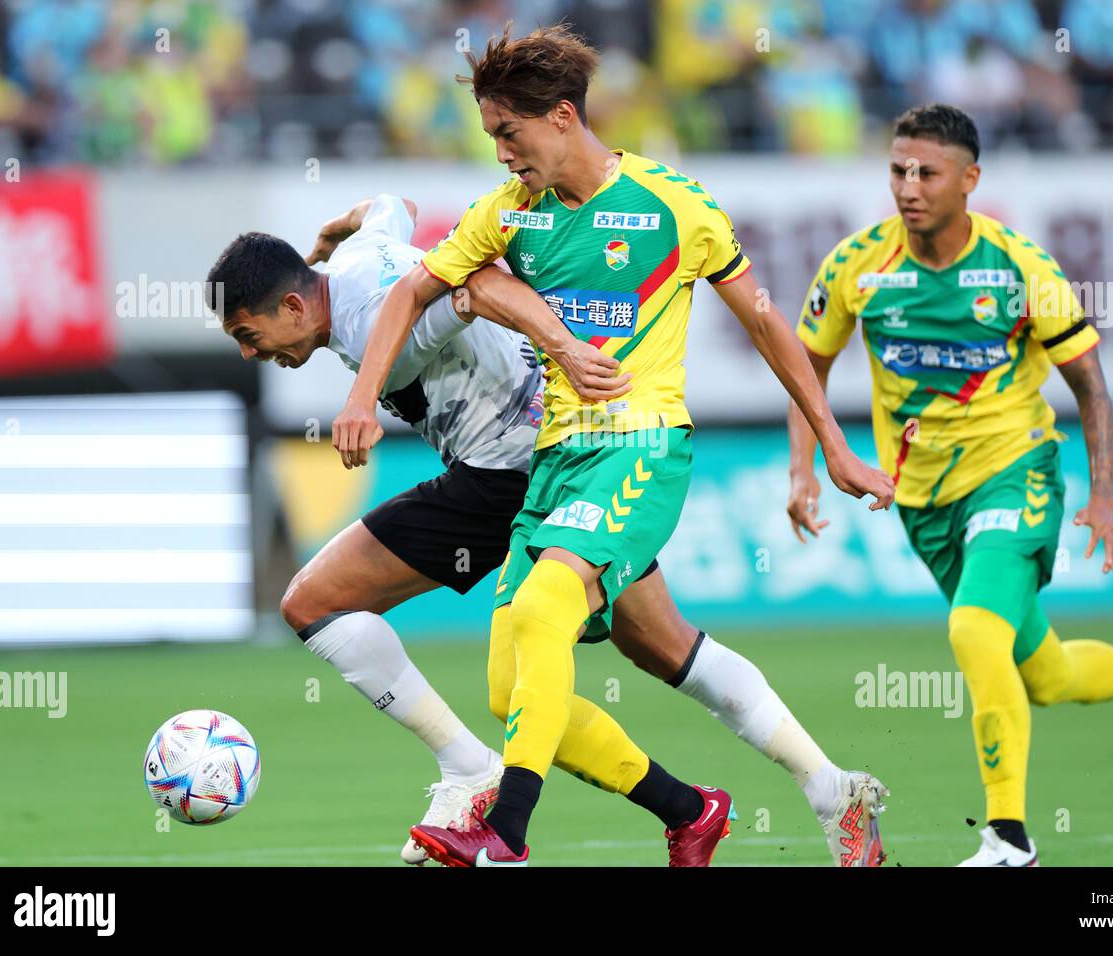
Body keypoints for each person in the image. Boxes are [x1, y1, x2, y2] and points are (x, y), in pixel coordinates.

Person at [331, 24, 895, 867]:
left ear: (561, 118)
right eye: (490, 137)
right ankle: (725, 806)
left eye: (508, 134)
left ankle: (505, 833)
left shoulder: (676, 205)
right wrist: (361, 397)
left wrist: (832, 447)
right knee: (511, 689)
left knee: (545, 610)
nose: (500, 155)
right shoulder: (508, 215)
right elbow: (413, 291)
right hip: (556, 467)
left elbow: (770, 325)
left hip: (642, 448)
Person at [206, 190, 889, 866]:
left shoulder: (369, 322)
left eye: (247, 334)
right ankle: (801, 793)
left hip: (501, 477)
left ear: (294, 306)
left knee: (313, 602)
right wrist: (341, 228)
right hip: (562, 463)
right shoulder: (361, 253)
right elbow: (397, 204)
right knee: (663, 648)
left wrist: (557, 346)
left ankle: (470, 771)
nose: (248, 353)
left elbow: (478, 286)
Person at [787, 103, 1113, 867]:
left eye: (926, 172)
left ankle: (1009, 840)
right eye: (898, 169)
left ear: (970, 180)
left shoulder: (1019, 269)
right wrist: (805, 466)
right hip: (924, 501)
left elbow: (1091, 387)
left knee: (974, 631)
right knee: (1046, 675)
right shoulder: (856, 265)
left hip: (1016, 472)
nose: (908, 186)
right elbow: (809, 364)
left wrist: (1101, 497)